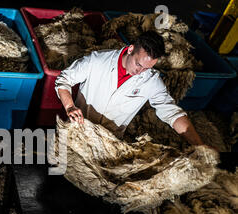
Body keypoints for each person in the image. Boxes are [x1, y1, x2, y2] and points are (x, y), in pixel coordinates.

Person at [55, 30, 206, 147]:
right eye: (138, 64)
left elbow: (171, 112)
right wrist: (70, 106)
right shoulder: (97, 61)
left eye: (147, 68)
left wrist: (199, 145)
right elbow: (64, 80)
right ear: (130, 49)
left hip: (109, 143)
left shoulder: (151, 81)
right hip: (77, 130)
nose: (140, 72)